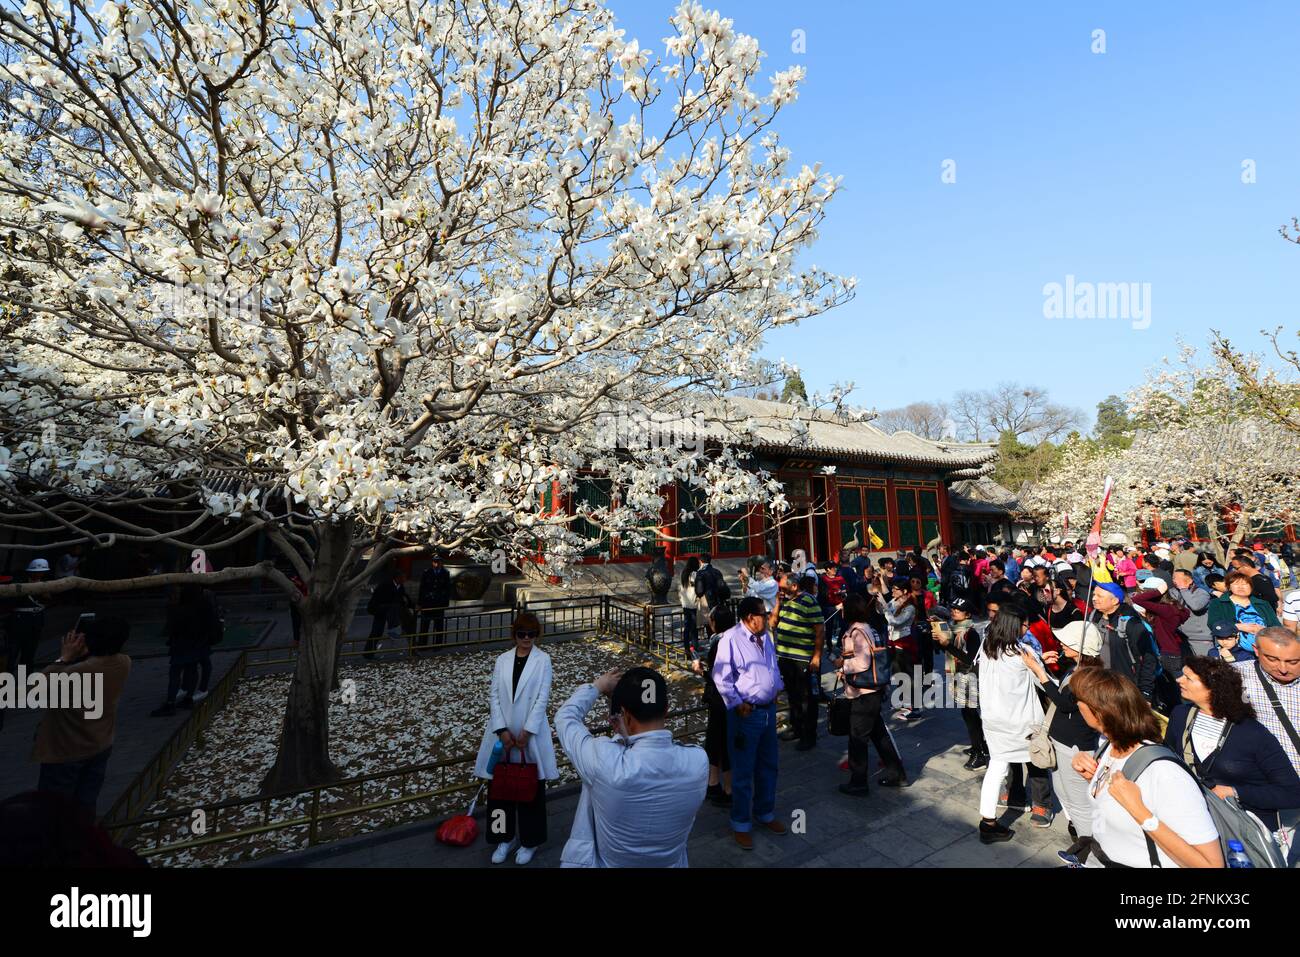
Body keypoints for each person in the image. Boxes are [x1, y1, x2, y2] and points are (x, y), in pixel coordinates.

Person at [1068, 667, 1223, 868]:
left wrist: (1140, 812)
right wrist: (1091, 776)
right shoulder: (1109, 747)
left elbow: (1211, 865)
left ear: (1097, 711)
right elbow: (1117, 802)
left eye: (1076, 700)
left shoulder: (1166, 773)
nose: (1076, 705)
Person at [556, 667, 708, 867]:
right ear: (666, 709)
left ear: (625, 715)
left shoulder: (605, 760)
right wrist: (629, 738)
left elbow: (565, 718)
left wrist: (597, 686)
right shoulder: (698, 762)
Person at [1165, 656, 1300, 834]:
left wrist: (1234, 792)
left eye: (1188, 678)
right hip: (1197, 823)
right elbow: (1171, 759)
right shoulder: (1180, 715)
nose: (1178, 680)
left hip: (1246, 832)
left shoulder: (1253, 734)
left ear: (1212, 689)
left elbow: (1293, 794)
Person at [474, 613, 558, 865]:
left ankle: (530, 840)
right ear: (514, 635)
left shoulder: (543, 661)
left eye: (531, 634)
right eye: (522, 634)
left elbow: (543, 697)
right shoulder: (502, 660)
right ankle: (504, 836)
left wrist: (528, 731)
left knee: (530, 787)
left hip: (529, 736)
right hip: (503, 735)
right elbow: (494, 697)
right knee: (500, 789)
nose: (526, 639)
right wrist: (502, 730)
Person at [32, 616, 131, 815]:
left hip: (66, 750)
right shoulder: (123, 662)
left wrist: (64, 658)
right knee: (85, 802)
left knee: (54, 809)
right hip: (100, 743)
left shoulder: (75, 672)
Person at [1022, 621, 1104, 862]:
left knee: (1079, 803)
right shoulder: (1076, 667)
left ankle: (1091, 856)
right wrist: (1045, 671)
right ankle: (1083, 846)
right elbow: (1061, 691)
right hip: (1062, 743)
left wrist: (1038, 671)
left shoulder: (1086, 676)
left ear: (1080, 648)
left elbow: (1065, 702)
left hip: (1076, 748)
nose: (1060, 643)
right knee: (1065, 795)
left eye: (1067, 641)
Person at [712, 596, 787, 850]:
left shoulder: (765, 636)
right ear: (749, 618)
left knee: (769, 764)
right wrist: (736, 702)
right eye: (763, 614)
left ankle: (765, 812)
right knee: (743, 770)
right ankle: (741, 822)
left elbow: (772, 664)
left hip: (768, 709)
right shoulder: (731, 639)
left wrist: (777, 686)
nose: (767, 618)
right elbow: (721, 676)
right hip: (746, 713)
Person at [975, 606, 1047, 842]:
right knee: (1038, 761)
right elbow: (1042, 679)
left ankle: (988, 821)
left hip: (993, 719)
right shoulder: (1021, 652)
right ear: (1014, 626)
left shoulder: (986, 647)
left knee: (997, 768)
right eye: (1025, 625)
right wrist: (1041, 662)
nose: (1026, 629)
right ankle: (1041, 806)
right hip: (1020, 721)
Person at [835, 593, 906, 795]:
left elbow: (862, 662)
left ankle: (858, 782)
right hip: (873, 689)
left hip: (864, 691)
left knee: (858, 738)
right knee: (878, 734)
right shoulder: (869, 628)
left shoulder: (857, 632)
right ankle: (896, 772)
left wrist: (843, 665)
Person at [931, 596, 988, 770]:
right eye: (953, 609)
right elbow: (947, 651)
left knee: (970, 715)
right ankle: (978, 745)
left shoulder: (970, 633)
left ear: (968, 614)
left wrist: (947, 644)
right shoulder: (954, 628)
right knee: (967, 714)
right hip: (957, 676)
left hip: (968, 677)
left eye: (958, 610)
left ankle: (980, 754)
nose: (954, 611)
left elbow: (969, 659)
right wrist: (939, 641)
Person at [149, 584, 220, 716]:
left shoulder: (180, 608)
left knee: (176, 671)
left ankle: (171, 703)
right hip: (198, 642)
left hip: (183, 643)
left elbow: (173, 626)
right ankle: (188, 698)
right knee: (192, 669)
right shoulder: (203, 603)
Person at [772, 570, 824, 751]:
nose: (781, 590)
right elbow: (772, 624)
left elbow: (819, 630)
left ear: (794, 586)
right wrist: (778, 603)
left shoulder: (809, 601)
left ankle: (809, 734)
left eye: (783, 587)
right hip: (785, 657)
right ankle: (796, 727)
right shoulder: (784, 601)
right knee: (792, 695)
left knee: (807, 698)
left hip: (803, 658)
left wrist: (817, 656)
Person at [692, 605, 734, 806]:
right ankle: (713, 782)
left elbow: (720, 678)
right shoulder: (731, 639)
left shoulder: (721, 643)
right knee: (714, 740)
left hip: (722, 700)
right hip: (723, 700)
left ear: (716, 623)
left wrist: (701, 672)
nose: (709, 621)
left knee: (721, 741)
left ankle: (728, 789)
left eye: (711, 619)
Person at [1088, 581, 1157, 702]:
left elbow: (1148, 658)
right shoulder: (1093, 616)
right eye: (1094, 594)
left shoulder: (1131, 623)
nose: (1094, 598)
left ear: (1115, 601)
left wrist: (1145, 692)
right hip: (1099, 682)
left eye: (1100, 596)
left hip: (1125, 686)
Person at [1129, 578, 1190, 714]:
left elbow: (1138, 600)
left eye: (1145, 591)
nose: (1141, 592)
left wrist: (1158, 591)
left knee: (1176, 691)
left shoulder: (1165, 609)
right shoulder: (1171, 608)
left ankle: (1182, 714)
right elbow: (1186, 613)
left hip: (1167, 654)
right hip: (1171, 651)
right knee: (1172, 690)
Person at [873, 575, 920, 720]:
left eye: (895, 589)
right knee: (898, 674)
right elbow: (881, 612)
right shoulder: (894, 601)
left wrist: (885, 607)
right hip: (893, 642)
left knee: (909, 676)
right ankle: (906, 703)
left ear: (904, 590)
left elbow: (894, 621)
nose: (892, 592)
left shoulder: (910, 606)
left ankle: (916, 708)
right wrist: (879, 602)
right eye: (892, 589)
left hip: (905, 643)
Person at [1208, 571, 1280, 656]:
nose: (1241, 587)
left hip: (1266, 650)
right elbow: (1213, 624)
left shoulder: (1263, 603)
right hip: (1236, 653)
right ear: (1229, 587)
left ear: (1251, 587)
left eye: (1245, 584)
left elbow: (1277, 626)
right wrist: (1237, 626)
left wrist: (1264, 630)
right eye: (1236, 584)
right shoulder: (1218, 603)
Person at [6, 558, 50, 670]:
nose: (41, 574)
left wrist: (45, 595)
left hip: (35, 623)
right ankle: (6, 682)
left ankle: (23, 680)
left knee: (28, 654)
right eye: (39, 572)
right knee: (11, 654)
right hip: (18, 622)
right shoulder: (19, 582)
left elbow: (47, 601)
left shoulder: (45, 584)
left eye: (43, 572)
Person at [363, 568, 414, 659]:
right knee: (377, 631)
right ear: (398, 578)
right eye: (404, 577)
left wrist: (412, 605)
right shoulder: (385, 585)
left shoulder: (400, 586)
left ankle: (413, 649)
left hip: (392, 610)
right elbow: (377, 598)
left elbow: (403, 597)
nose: (405, 579)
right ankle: (368, 653)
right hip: (380, 609)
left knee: (408, 626)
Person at [1172, 568, 1213, 657]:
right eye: (1173, 578)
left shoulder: (1201, 593)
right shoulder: (1172, 593)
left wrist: (1183, 589)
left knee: (1206, 666)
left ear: (1189, 580)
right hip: (1181, 637)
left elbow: (1196, 606)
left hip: (1200, 638)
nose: (1174, 580)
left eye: (1177, 578)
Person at [417, 555, 452, 650]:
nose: (436, 563)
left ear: (441, 562)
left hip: (439, 603)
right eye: (434, 561)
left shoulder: (445, 573)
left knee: (439, 626)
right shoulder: (427, 572)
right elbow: (422, 588)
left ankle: (438, 645)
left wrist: (445, 602)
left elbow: (447, 589)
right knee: (424, 625)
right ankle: (422, 644)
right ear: (432, 562)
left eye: (438, 561)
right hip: (427, 603)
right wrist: (420, 603)